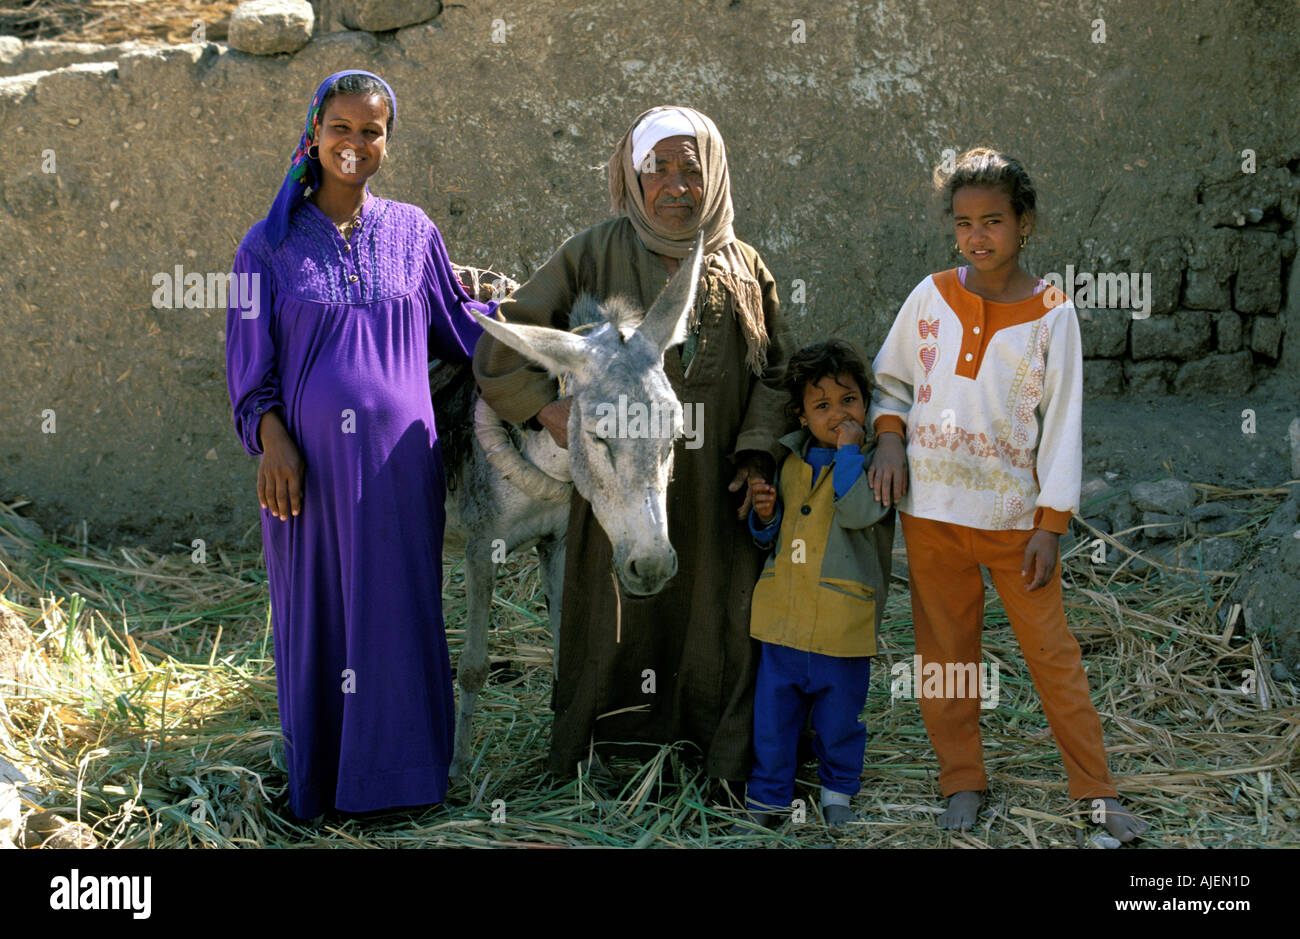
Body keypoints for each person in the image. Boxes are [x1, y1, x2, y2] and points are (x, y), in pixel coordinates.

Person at [472, 106, 790, 785]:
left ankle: (714, 763)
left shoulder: (744, 265)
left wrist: (758, 451)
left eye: (691, 170)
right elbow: (510, 336)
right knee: (613, 622)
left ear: (716, 176)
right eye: (659, 170)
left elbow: (777, 372)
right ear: (632, 177)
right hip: (618, 486)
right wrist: (545, 410)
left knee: (718, 615)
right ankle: (607, 765)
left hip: (715, 485)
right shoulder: (593, 252)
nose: (676, 186)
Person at [225, 70, 492, 820]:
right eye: (341, 128)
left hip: (403, 468)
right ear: (313, 134)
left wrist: (550, 330)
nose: (355, 143)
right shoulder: (266, 247)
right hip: (306, 478)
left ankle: (405, 785)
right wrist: (272, 441)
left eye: (371, 131)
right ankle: (329, 786)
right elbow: (250, 373)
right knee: (321, 615)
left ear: (386, 143)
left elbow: (464, 325)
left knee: (401, 611)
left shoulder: (413, 233)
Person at [867, 147, 1147, 841]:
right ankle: (961, 778)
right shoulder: (930, 296)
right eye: (964, 222)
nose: (977, 235)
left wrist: (1052, 521)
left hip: (1015, 521)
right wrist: (892, 438)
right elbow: (891, 381)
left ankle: (1095, 793)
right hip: (931, 515)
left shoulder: (1054, 315)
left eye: (993, 220)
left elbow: (1063, 427)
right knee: (945, 655)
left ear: (1025, 224)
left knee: (1053, 654)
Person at [740, 340, 893, 831]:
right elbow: (773, 540)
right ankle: (768, 799)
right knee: (772, 723)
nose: (837, 414)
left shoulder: (876, 466)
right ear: (802, 418)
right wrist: (764, 516)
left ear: (866, 406)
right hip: (781, 623)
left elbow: (855, 512)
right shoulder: (788, 464)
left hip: (840, 626)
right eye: (821, 405)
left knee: (839, 722)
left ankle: (837, 794)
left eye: (848, 401)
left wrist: (850, 453)